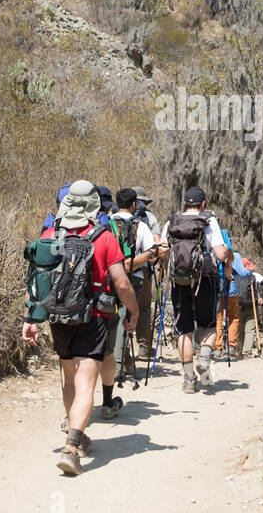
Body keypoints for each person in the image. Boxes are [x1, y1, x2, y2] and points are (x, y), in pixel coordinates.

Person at [22, 182, 138, 476]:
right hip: (94, 316)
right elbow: (122, 283)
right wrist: (133, 311)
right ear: (93, 207)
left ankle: (76, 433)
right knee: (86, 382)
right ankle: (72, 448)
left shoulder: (50, 234)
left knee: (68, 377)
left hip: (58, 318)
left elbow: (36, 281)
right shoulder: (104, 237)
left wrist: (30, 319)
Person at [101, 190, 168, 419]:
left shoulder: (107, 223)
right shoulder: (142, 225)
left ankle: (118, 363)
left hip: (110, 278)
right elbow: (152, 253)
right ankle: (121, 365)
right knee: (131, 316)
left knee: (116, 317)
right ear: (132, 204)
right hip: (136, 279)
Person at [161, 187, 229, 394]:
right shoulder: (209, 222)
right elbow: (220, 254)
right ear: (203, 204)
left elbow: (163, 251)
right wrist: (227, 254)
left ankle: (189, 379)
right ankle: (204, 360)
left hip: (179, 281)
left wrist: (169, 270)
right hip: (206, 280)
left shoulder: (172, 222)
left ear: (184, 203)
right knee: (208, 325)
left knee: (184, 330)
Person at [132, 188, 162, 363]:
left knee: (123, 308)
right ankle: (144, 348)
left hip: (121, 267)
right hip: (143, 268)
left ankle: (122, 352)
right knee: (143, 308)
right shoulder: (149, 218)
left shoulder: (115, 216)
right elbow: (156, 244)